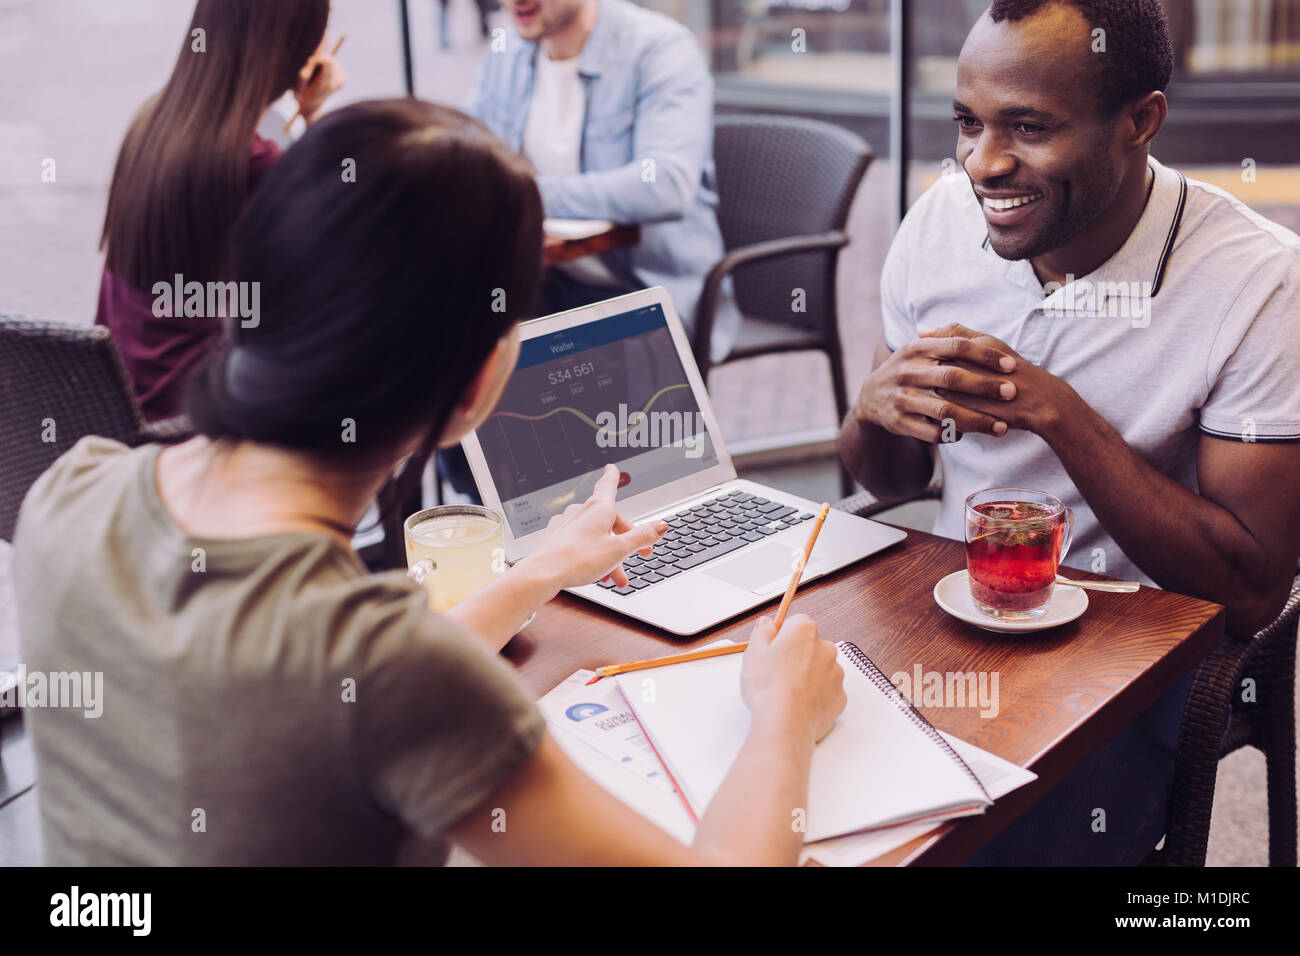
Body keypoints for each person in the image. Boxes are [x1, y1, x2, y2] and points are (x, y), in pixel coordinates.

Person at [15, 99, 846, 866]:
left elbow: (309, 685)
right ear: (481, 379)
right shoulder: (393, 668)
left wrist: (541, 572)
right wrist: (784, 716)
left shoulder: (70, 490)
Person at [840, 0, 1300, 865]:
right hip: (950, 621)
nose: (984, 163)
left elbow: (1250, 593)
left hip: (1137, 664)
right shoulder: (939, 225)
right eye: (968, 124)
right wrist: (873, 409)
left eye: (1028, 127)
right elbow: (893, 477)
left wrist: (1059, 414)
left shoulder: (1259, 282)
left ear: (1140, 121)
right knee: (789, 776)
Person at [97, 0, 344, 421]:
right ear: (296, 49)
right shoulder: (257, 163)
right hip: (199, 426)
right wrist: (310, 116)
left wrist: (297, 115)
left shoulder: (153, 122)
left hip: (119, 407)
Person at [465, 0, 739, 358]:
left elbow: (666, 186)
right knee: (440, 324)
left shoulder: (659, 48)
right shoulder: (507, 50)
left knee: (520, 365)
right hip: (543, 278)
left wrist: (527, 195)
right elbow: (470, 161)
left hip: (643, 291)